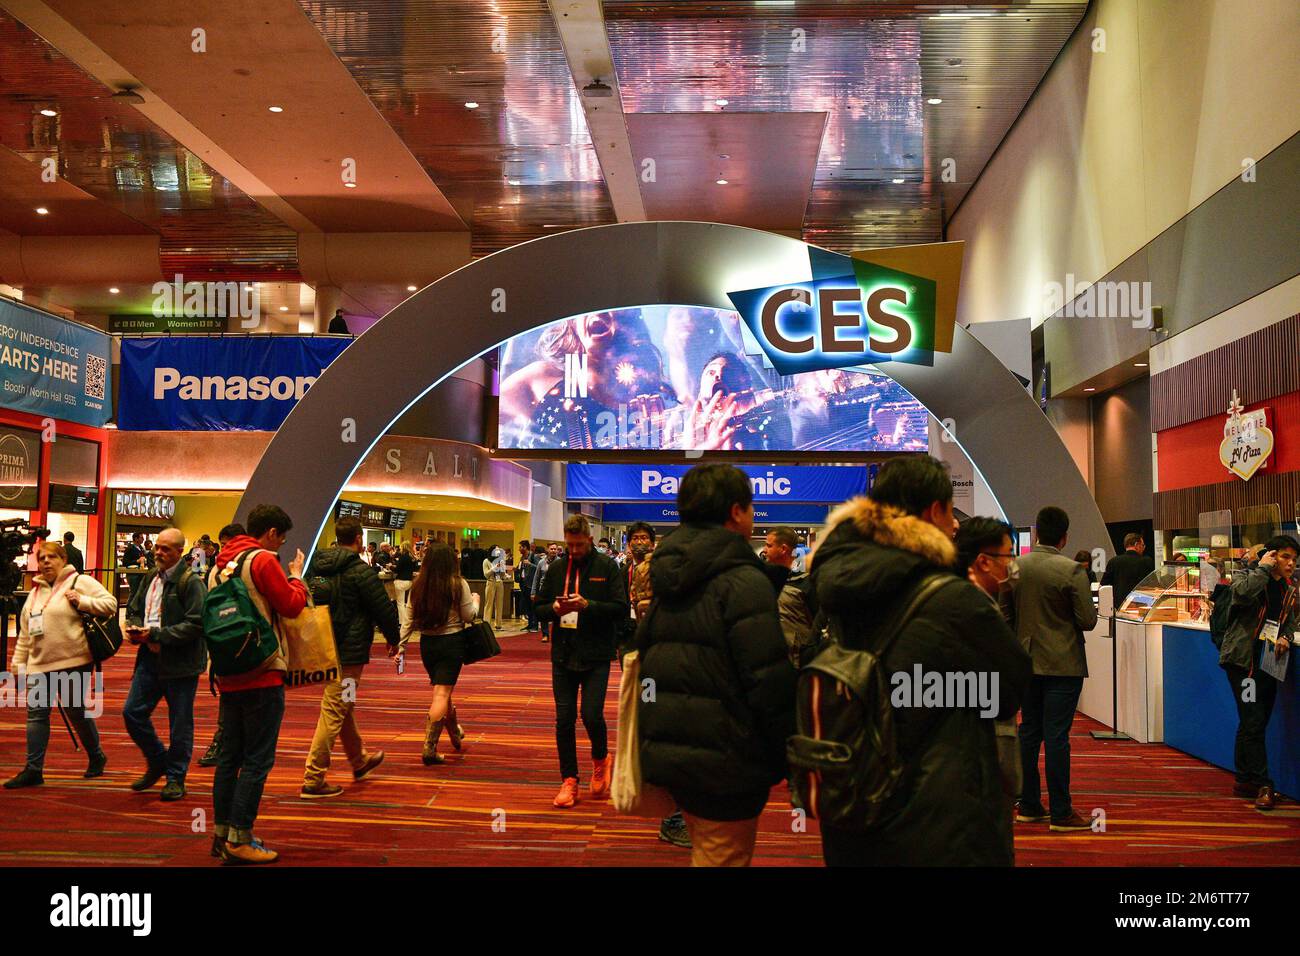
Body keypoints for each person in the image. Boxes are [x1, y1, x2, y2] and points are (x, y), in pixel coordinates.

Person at [811, 457, 1030, 866]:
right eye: (950, 514)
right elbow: (1008, 690)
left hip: (853, 794)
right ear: (934, 511)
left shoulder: (834, 584)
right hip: (939, 813)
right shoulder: (953, 598)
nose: (955, 527)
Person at [637, 464, 795, 866]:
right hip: (729, 760)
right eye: (752, 507)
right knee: (723, 857)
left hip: (674, 750)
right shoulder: (743, 581)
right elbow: (767, 681)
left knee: (708, 850)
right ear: (736, 512)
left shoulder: (666, 574)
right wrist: (786, 754)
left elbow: (648, 667)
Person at [208, 505, 308, 865]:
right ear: (269, 533)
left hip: (228, 672)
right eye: (280, 537)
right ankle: (241, 837)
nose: (281, 546)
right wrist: (296, 576)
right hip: (262, 669)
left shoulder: (219, 566)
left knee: (229, 757)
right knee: (257, 759)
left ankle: (222, 833)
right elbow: (292, 605)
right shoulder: (264, 561)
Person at [1012, 505, 1098, 833]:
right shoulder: (1072, 571)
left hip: (1025, 663)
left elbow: (1006, 616)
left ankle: (1029, 805)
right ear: (1064, 537)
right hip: (1064, 664)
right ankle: (1062, 812)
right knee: (1057, 737)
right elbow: (1088, 621)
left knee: (1029, 732)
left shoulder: (1015, 567)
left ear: (1036, 533)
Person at [300, 516, 399, 799]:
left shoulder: (316, 567)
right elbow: (382, 609)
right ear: (358, 539)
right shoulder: (360, 571)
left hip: (322, 645)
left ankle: (359, 760)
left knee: (344, 703)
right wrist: (394, 640)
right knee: (335, 707)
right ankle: (313, 777)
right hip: (350, 653)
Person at [4, 541, 117, 789]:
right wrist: (17, 665)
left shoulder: (80, 582)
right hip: (38, 665)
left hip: (73, 662)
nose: (45, 561)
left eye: (51, 557)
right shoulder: (34, 593)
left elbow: (110, 604)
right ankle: (33, 770)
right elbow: (25, 634)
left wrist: (83, 601)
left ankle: (96, 755)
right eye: (41, 557)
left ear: (63, 559)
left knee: (76, 712)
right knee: (36, 716)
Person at [534, 514, 628, 808]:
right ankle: (569, 780)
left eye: (578, 545)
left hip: (597, 654)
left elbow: (620, 608)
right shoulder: (558, 567)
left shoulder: (607, 566)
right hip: (563, 653)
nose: (573, 550)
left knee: (591, 715)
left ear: (589, 539)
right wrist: (554, 608)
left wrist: (588, 605)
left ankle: (601, 759)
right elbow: (538, 609)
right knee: (564, 720)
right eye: (569, 544)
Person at [122, 527, 207, 802]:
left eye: (166, 548)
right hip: (149, 658)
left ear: (180, 552)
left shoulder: (190, 582)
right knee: (132, 713)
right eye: (158, 547)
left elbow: (196, 624)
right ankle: (159, 760)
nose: (159, 552)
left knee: (179, 724)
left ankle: (175, 778)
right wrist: (134, 626)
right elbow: (135, 608)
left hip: (181, 663)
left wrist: (156, 635)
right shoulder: (151, 577)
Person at [623, 520, 691, 849]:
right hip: (654, 669)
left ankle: (675, 815)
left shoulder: (657, 572)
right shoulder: (649, 573)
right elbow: (644, 617)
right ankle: (671, 817)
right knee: (661, 731)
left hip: (668, 669)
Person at [955, 516, 1025, 830]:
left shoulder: (977, 604)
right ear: (984, 561)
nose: (1013, 564)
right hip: (982, 753)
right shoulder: (973, 611)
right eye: (1009, 555)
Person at [1217, 535, 1298, 809]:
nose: (1290, 563)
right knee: (1252, 719)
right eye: (1285, 557)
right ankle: (1264, 785)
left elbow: (1289, 619)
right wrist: (1262, 567)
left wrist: (1286, 635)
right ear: (1272, 556)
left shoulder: (1289, 588)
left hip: (1268, 663)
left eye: (1294, 559)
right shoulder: (1249, 577)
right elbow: (1240, 594)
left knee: (1255, 721)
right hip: (1244, 664)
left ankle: (1244, 779)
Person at [402, 543, 476, 765]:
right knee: (441, 694)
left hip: (427, 645)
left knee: (443, 691)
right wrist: (477, 602)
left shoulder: (419, 585)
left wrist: (401, 644)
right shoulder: (457, 584)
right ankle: (429, 747)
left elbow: (408, 618)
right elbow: (469, 616)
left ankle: (454, 733)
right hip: (451, 642)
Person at [197, 522, 244, 769]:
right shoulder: (216, 570)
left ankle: (227, 745)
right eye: (223, 545)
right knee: (231, 699)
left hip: (240, 643)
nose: (226, 550)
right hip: (227, 643)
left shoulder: (242, 566)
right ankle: (223, 744)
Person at [1100, 533, 1154, 605]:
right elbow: (1153, 584)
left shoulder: (1113, 561)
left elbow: (1103, 585)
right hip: (1141, 603)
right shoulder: (1146, 561)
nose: (1143, 548)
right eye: (1142, 545)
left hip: (1120, 606)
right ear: (1136, 545)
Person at [531, 543, 559, 642]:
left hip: (557, 591)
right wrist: (533, 592)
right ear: (547, 550)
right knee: (544, 613)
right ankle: (545, 634)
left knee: (557, 613)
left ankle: (557, 635)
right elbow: (536, 578)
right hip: (543, 591)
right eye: (551, 549)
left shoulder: (560, 562)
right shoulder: (541, 562)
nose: (553, 551)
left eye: (555, 549)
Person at [762, 526, 797, 591]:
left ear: (783, 549)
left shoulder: (803, 582)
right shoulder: (763, 576)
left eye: (769, 546)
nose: (764, 550)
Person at [482, 546, 509, 628]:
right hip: (491, 582)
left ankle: (498, 624)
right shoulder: (486, 561)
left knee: (499, 604)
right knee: (489, 604)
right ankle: (487, 623)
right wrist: (494, 568)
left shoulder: (501, 560)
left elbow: (503, 575)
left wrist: (503, 571)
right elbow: (486, 574)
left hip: (499, 583)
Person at [394, 541, 418, 632]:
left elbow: (397, 569)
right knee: (408, 603)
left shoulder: (403, 557)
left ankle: (402, 622)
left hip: (401, 581)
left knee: (400, 603)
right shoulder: (412, 558)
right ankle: (409, 621)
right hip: (410, 581)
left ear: (403, 547)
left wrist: (391, 567)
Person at [514, 541, 538, 631]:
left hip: (531, 585)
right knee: (527, 606)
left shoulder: (534, 556)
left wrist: (530, 564)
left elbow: (538, 568)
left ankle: (535, 625)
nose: (519, 549)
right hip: (523, 584)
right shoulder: (522, 558)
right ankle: (530, 624)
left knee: (533, 606)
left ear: (525, 547)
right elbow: (521, 569)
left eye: (520, 547)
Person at [121, 532, 148, 602]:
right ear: (136, 539)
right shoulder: (130, 548)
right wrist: (137, 561)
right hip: (133, 575)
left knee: (138, 593)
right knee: (133, 593)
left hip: (139, 574)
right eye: (141, 537)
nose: (143, 539)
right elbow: (125, 563)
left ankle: (134, 611)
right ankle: (129, 611)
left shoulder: (141, 548)